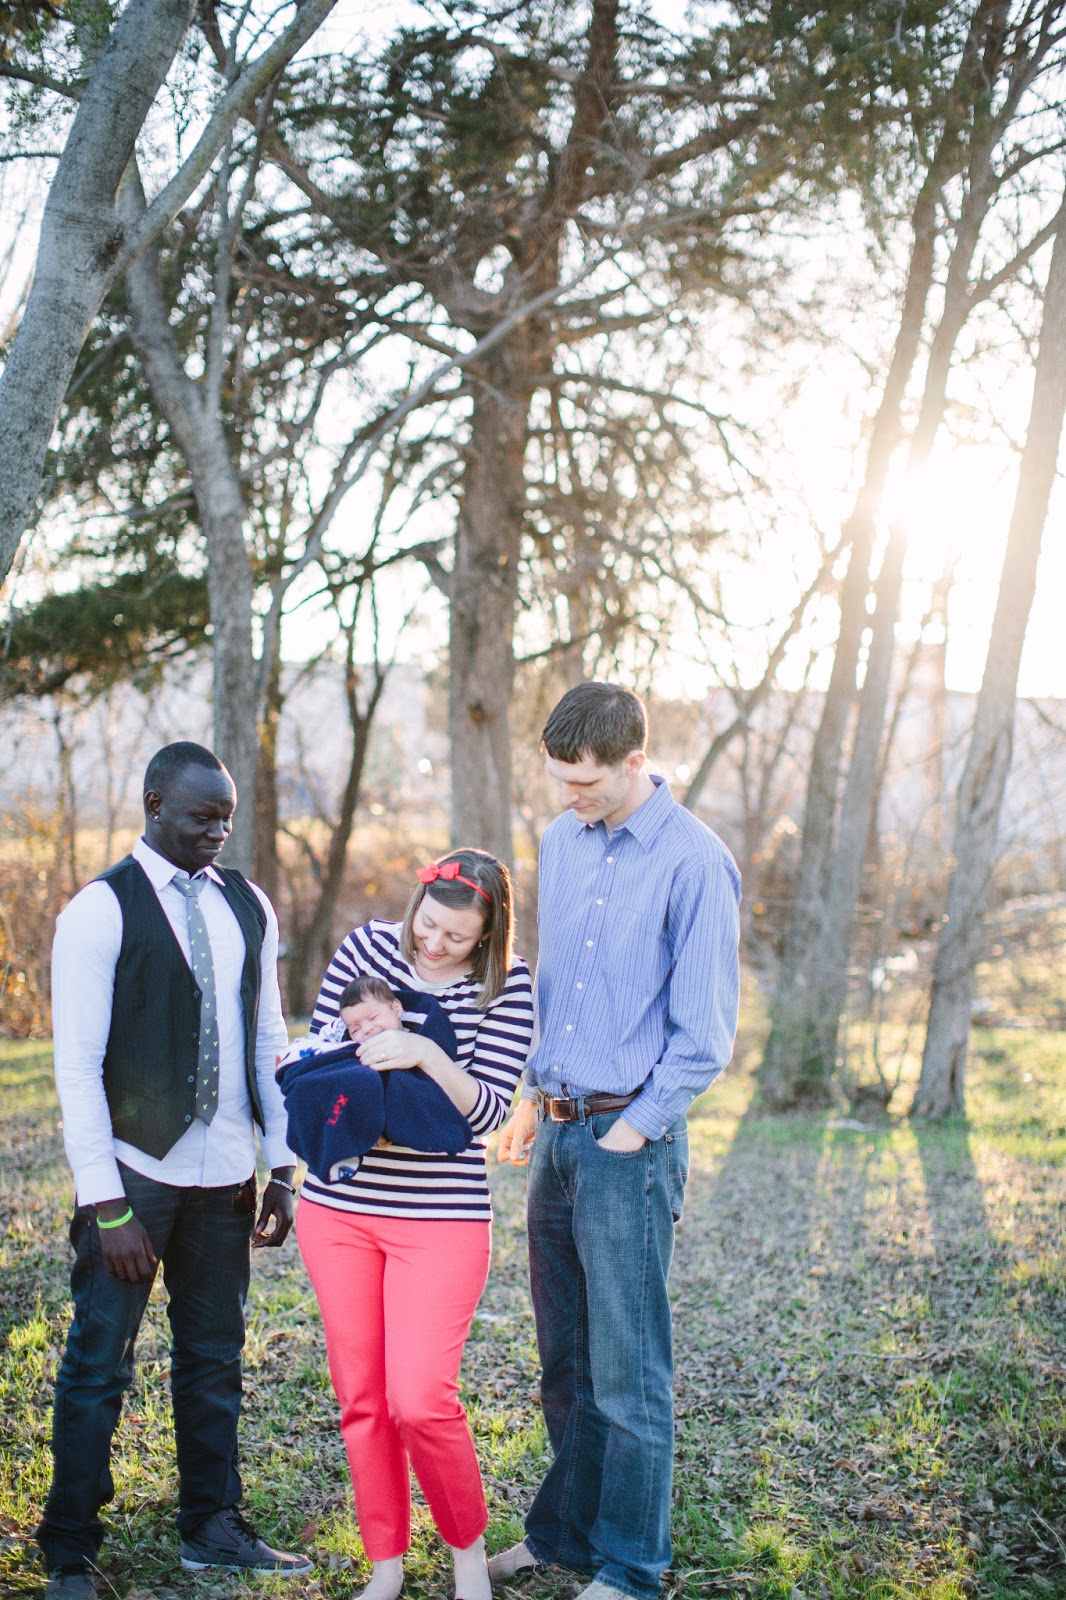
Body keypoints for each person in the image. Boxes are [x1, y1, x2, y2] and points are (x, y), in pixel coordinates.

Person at [39, 742, 310, 1598]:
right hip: (134, 1176)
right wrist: (106, 1203)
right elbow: (76, 1068)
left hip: (227, 1172)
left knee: (214, 1359)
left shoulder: (249, 904)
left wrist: (285, 1164)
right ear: (155, 803)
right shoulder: (99, 910)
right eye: (202, 816)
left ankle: (211, 1528)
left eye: (226, 818)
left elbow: (270, 1041)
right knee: (97, 1363)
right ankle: (69, 1549)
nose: (217, 832)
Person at [494, 683, 741, 1600]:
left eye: (585, 781)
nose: (570, 797)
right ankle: (563, 1534)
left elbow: (706, 1035)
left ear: (636, 759)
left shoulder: (695, 863)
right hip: (555, 1135)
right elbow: (556, 983)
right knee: (565, 1362)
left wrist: (632, 1131)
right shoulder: (564, 842)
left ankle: (634, 1567)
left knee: (629, 1372)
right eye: (559, 780)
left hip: (627, 1143)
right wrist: (528, 1092)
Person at [297, 850, 535, 1600]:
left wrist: (425, 1052)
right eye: (428, 925)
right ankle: (386, 1564)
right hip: (339, 1211)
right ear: (416, 905)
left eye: (456, 939)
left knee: (421, 1396)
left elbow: (492, 1113)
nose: (434, 945)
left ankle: (467, 1552)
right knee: (362, 1396)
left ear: (487, 937)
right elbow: (318, 1053)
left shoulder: (510, 985)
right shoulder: (365, 948)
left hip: (440, 1217)